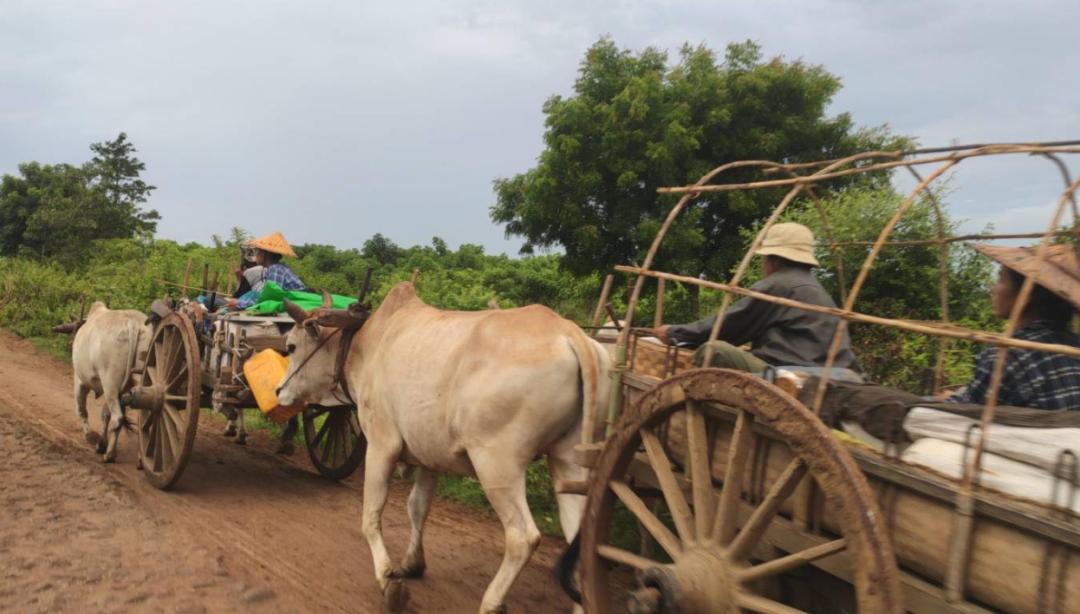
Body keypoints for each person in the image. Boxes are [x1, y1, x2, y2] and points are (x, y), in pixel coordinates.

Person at [654, 222, 858, 373]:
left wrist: (674, 333)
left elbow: (730, 326)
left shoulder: (778, 285)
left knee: (714, 350)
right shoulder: (817, 290)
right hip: (838, 373)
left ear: (773, 259)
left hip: (793, 373)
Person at [946, 243, 1080, 410]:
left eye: (1001, 280)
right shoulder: (1074, 346)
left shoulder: (1006, 356)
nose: (993, 288)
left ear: (1025, 295)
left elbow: (963, 412)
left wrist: (948, 399)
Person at [226, 231, 307, 310]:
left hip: (301, 305)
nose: (256, 255)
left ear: (264, 254)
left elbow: (269, 298)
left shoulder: (276, 269)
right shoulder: (273, 269)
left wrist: (240, 304)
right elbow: (265, 296)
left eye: (257, 252)